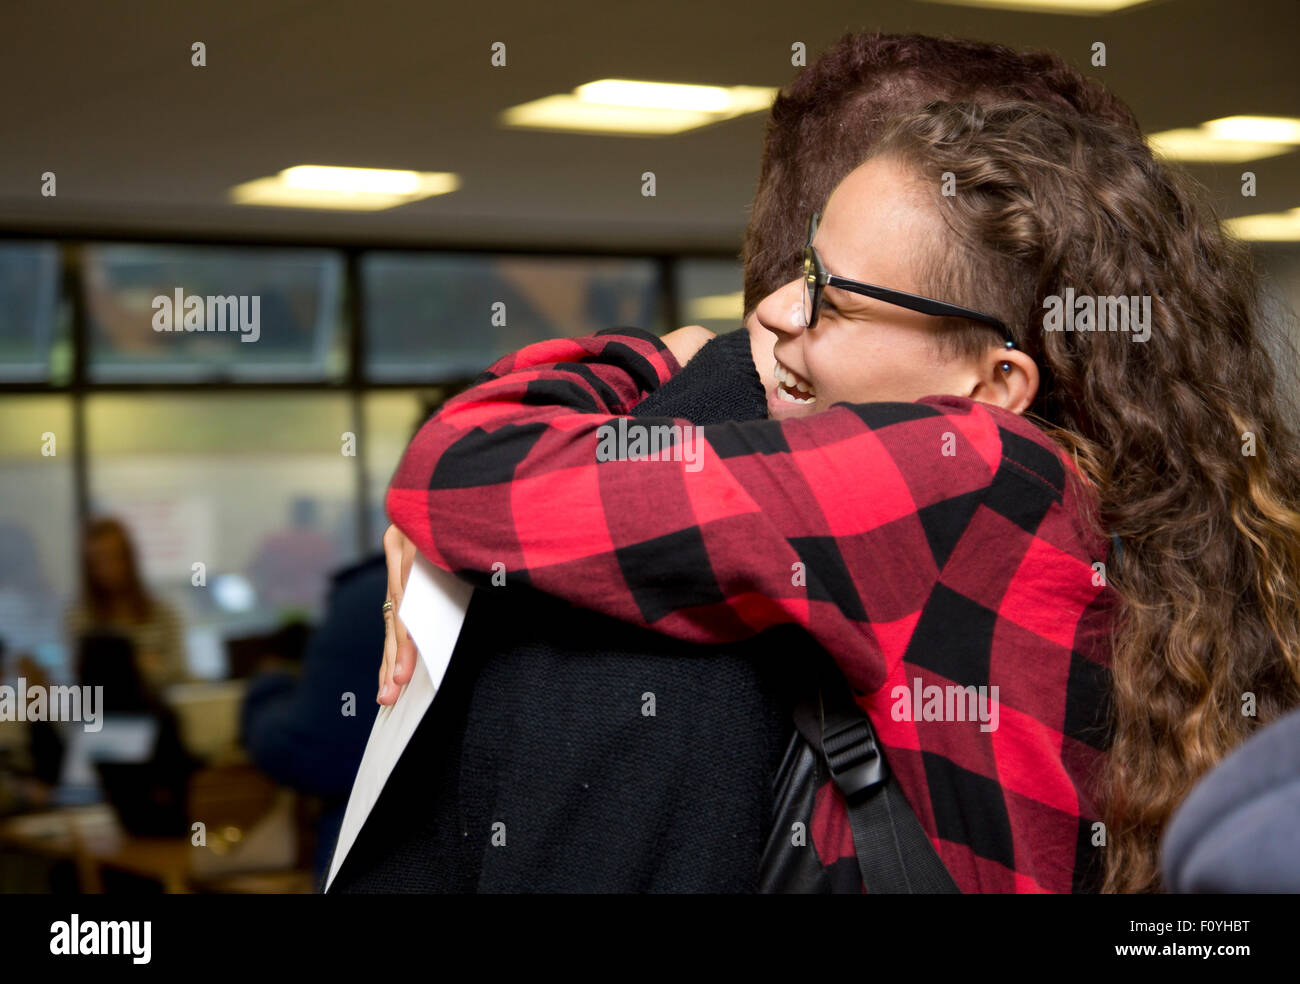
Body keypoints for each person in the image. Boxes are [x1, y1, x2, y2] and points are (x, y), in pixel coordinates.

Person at [381, 100, 1300, 895]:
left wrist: (662, 356)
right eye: (802, 269)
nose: (778, 311)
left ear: (994, 381)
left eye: (834, 296)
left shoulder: (959, 466)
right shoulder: (1092, 505)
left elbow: (462, 474)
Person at [64, 517, 186, 696]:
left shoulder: (163, 613)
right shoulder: (79, 618)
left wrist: (120, 665)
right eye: (100, 560)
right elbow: (86, 677)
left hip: (158, 710)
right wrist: (141, 662)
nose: (110, 567)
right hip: (104, 715)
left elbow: (176, 670)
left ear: (129, 558)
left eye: (116, 557)